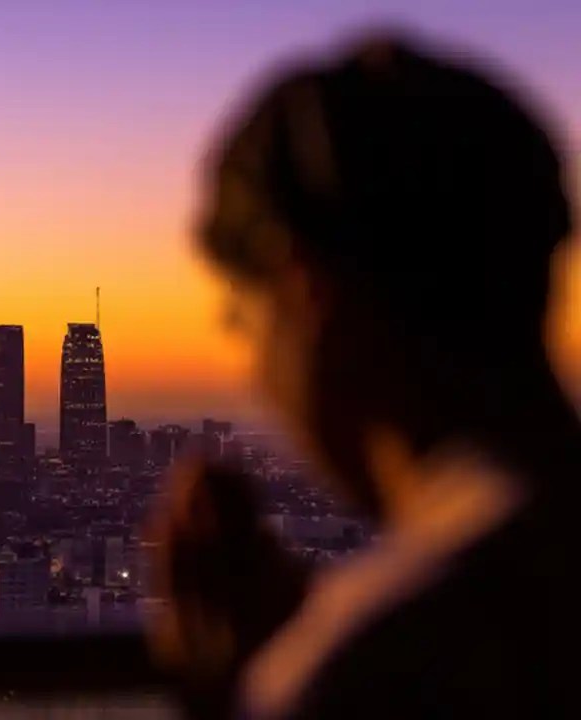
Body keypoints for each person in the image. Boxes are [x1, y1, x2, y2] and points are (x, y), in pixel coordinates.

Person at [147, 31, 581, 719]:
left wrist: (255, 687)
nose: (256, 375)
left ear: (309, 296)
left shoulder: (398, 662)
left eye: (246, 321)